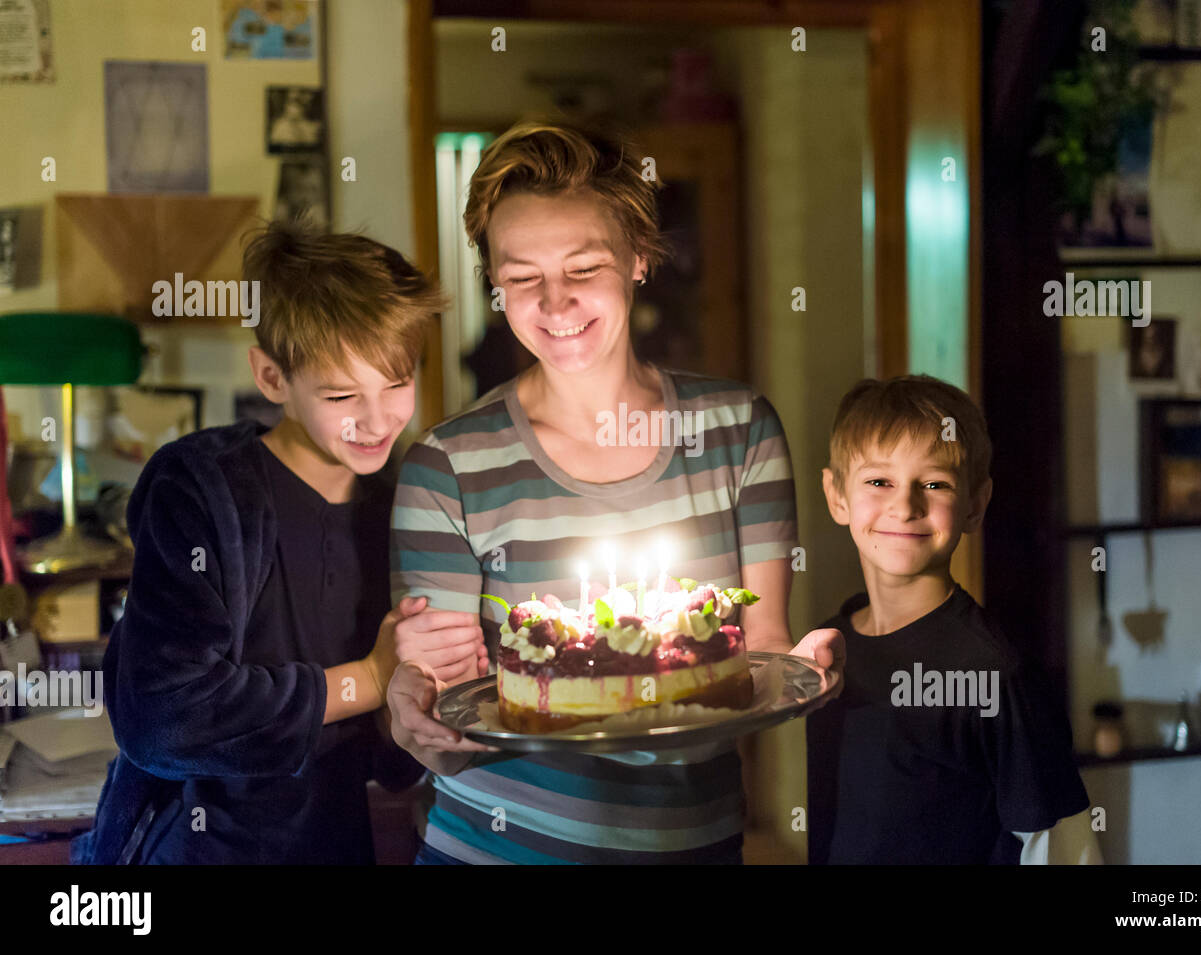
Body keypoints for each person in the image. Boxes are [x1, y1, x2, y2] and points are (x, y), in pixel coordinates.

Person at [385, 120, 841, 865]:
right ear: (495, 283)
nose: (554, 302)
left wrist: (806, 673)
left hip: (692, 847)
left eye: (583, 266)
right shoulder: (449, 465)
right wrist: (416, 722)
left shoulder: (738, 430)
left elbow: (757, 657)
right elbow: (450, 712)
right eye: (522, 275)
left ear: (638, 257)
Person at [73, 220, 447, 864]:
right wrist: (369, 677)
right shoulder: (200, 488)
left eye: (397, 382)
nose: (379, 418)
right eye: (340, 394)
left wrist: (415, 705)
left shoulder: (403, 500)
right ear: (272, 378)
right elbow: (162, 719)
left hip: (333, 843)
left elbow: (386, 761)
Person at [806, 374, 1103, 864]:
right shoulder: (829, 646)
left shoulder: (996, 672)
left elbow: (1063, 849)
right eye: (879, 481)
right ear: (837, 495)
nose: (904, 506)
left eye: (935, 483)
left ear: (975, 504)